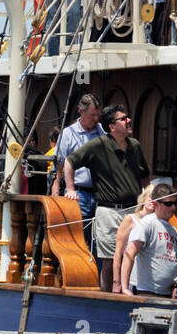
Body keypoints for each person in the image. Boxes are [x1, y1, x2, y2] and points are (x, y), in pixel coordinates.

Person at [63, 104, 149, 291]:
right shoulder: (98, 145)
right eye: (123, 118)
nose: (128, 121)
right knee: (109, 261)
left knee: (133, 255)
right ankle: (106, 297)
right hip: (109, 212)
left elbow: (144, 175)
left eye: (128, 117)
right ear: (111, 126)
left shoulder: (135, 146)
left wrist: (147, 200)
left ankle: (128, 293)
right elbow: (70, 162)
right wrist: (70, 188)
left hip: (133, 211)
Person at [51, 94, 105, 245]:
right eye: (92, 115)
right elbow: (58, 165)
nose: (96, 119)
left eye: (98, 115)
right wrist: (56, 192)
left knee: (99, 241)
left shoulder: (101, 132)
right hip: (76, 194)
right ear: (81, 111)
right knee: (77, 238)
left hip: (100, 193)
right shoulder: (67, 134)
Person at [120, 184, 177, 298]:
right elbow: (129, 253)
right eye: (168, 204)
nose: (173, 208)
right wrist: (125, 288)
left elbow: (175, 262)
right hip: (148, 294)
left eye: (175, 203)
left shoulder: (174, 230)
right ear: (156, 203)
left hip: (168, 295)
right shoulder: (147, 224)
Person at [112, 184, 157, 293]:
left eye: (157, 198)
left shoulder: (158, 223)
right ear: (144, 197)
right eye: (151, 196)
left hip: (150, 283)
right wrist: (116, 282)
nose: (153, 200)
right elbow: (118, 252)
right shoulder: (130, 219)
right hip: (131, 281)